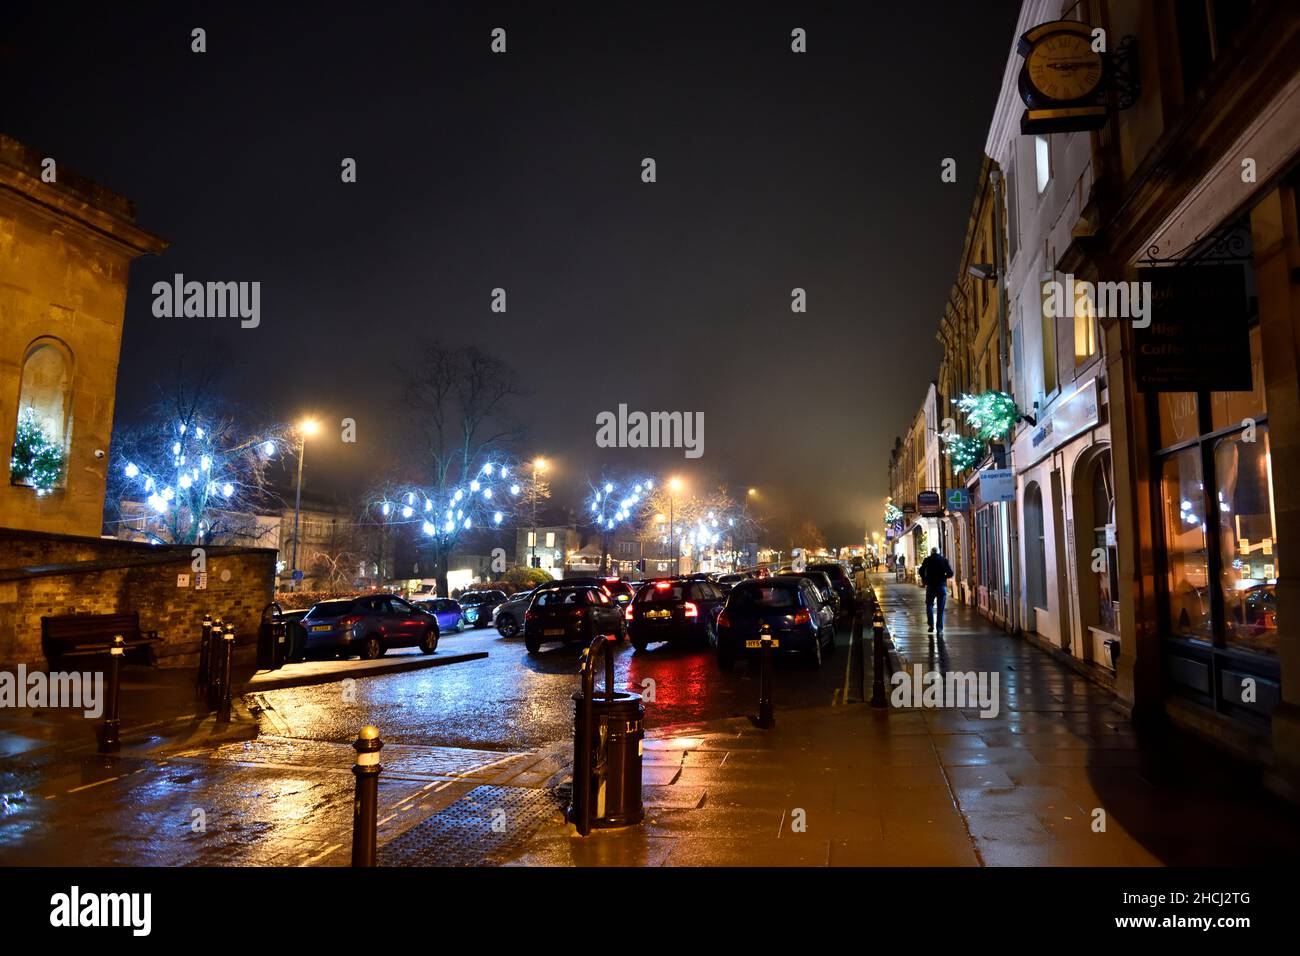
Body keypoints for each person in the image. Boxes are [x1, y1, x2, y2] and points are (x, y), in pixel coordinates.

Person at [919, 546, 954, 633]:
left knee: (929, 605)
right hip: (941, 586)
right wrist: (944, 577)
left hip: (930, 586)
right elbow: (950, 573)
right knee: (940, 609)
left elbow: (920, 571)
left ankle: (931, 625)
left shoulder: (927, 560)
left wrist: (925, 579)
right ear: (938, 552)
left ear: (931, 552)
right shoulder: (943, 560)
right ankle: (939, 628)